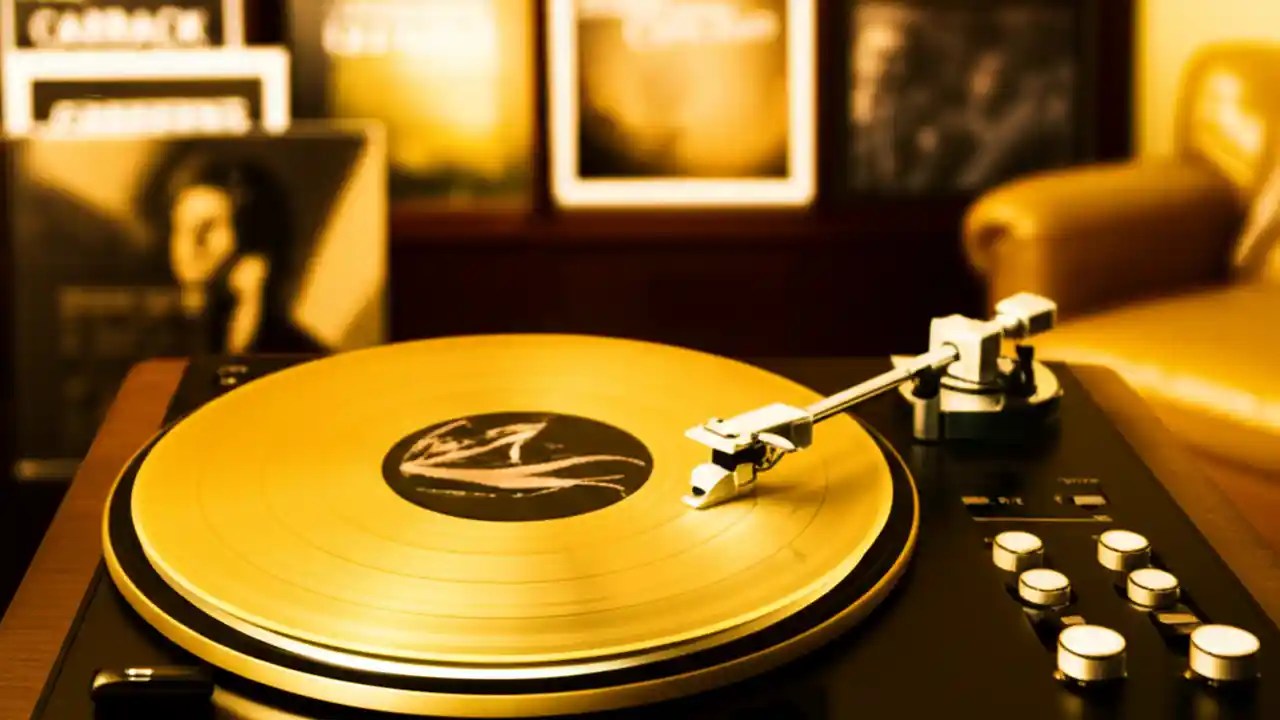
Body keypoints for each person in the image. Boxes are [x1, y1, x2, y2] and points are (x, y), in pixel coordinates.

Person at [163, 157, 322, 354]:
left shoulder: (302, 353)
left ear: (249, 240)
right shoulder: (150, 340)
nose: (192, 243)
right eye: (182, 227)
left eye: (208, 228)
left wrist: (249, 308)